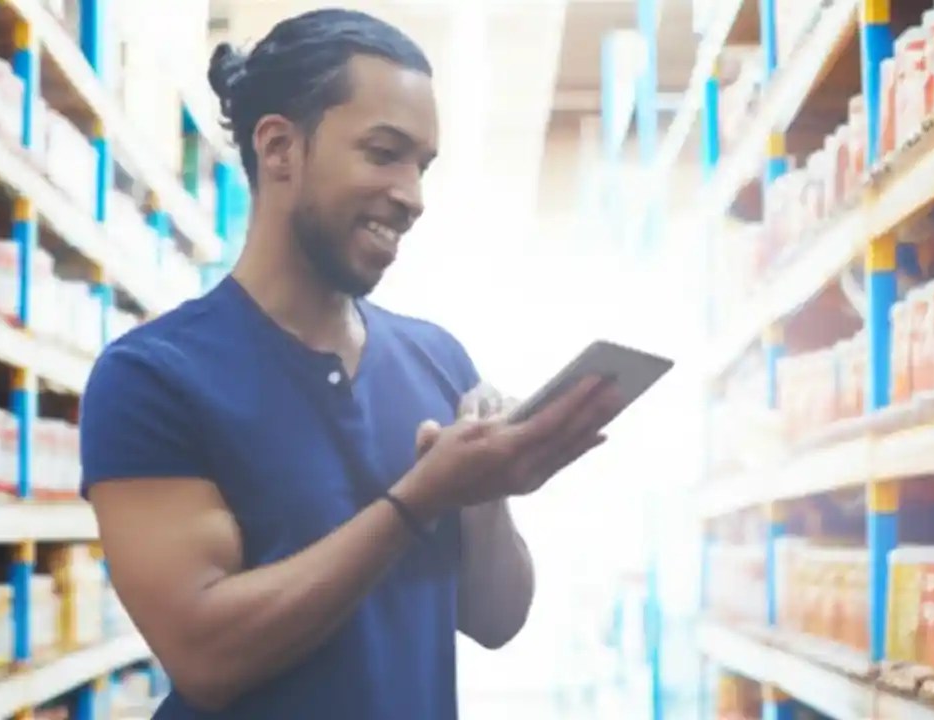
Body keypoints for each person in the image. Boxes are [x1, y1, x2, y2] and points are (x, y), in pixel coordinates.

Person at [79, 8, 621, 719]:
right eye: (383, 152)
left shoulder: (436, 359)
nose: (413, 197)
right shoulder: (152, 376)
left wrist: (488, 488)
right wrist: (420, 497)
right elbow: (206, 655)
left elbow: (495, 619)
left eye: (422, 166)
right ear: (279, 149)